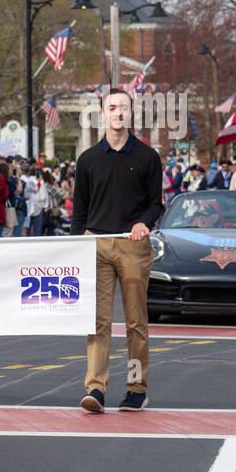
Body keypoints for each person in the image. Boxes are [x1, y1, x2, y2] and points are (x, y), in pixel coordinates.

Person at [71, 89, 163, 414]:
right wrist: (77, 241)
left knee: (136, 321)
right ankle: (95, 388)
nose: (118, 112)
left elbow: (156, 203)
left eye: (123, 107)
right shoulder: (88, 159)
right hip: (96, 243)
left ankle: (136, 388)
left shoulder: (148, 157)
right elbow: (79, 209)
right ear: (103, 114)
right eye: (112, 107)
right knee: (98, 321)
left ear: (132, 113)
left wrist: (144, 222)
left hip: (133, 244)